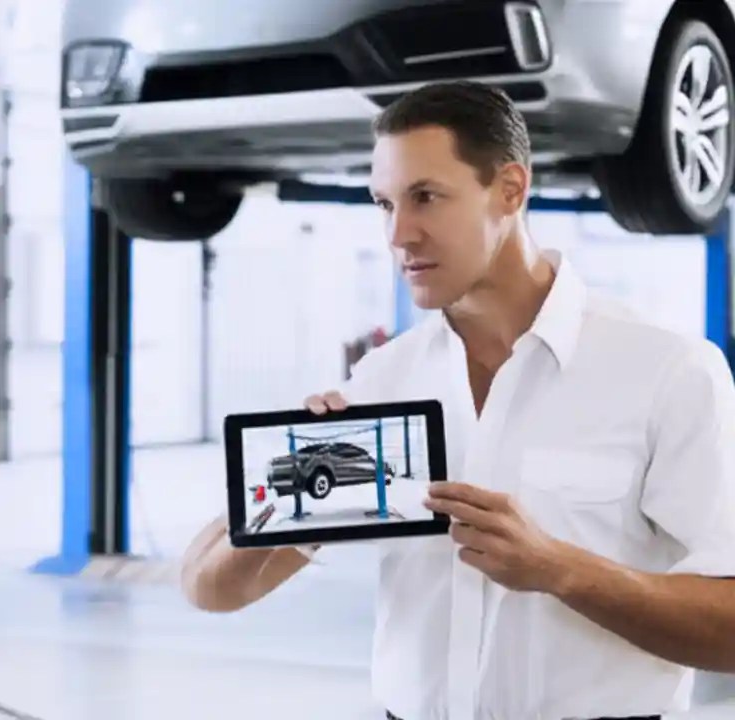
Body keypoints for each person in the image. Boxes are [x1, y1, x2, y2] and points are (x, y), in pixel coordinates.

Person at [180, 80, 735, 720]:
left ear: (510, 190)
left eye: (426, 198)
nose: (399, 234)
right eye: (383, 204)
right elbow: (208, 590)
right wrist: (295, 499)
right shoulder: (384, 380)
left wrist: (557, 568)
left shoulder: (667, 371)